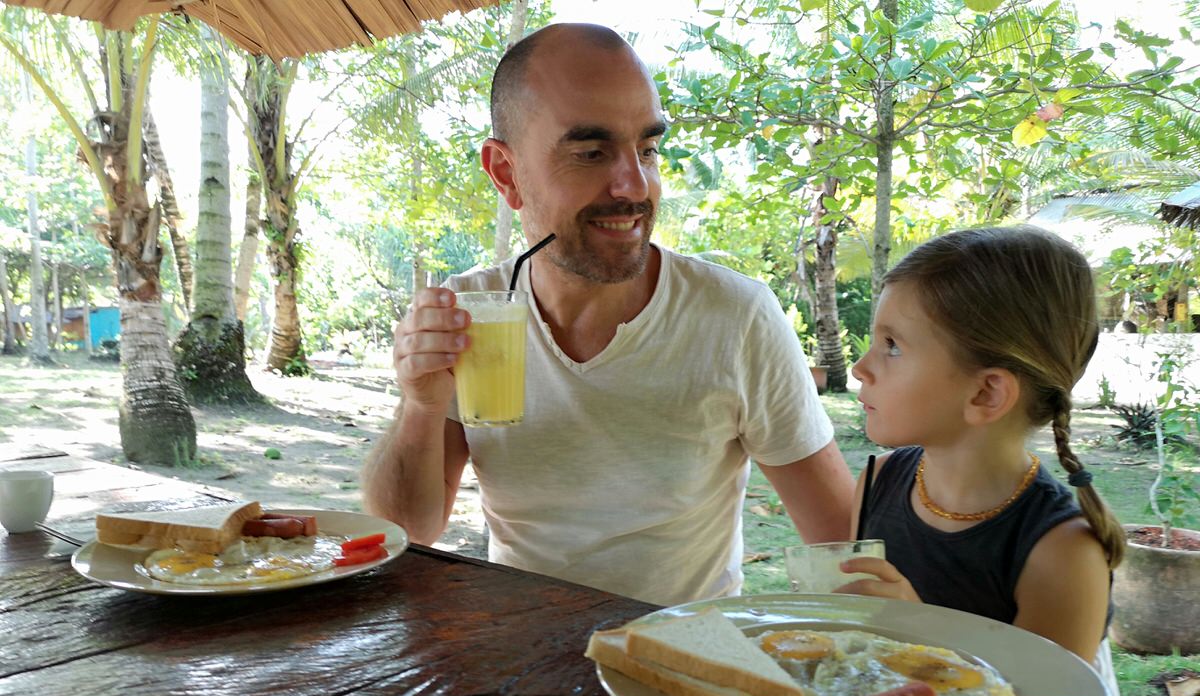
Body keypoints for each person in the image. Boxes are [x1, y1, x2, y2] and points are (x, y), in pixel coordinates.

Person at [363, 23, 855, 604]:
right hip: (520, 658)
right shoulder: (473, 315)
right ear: (505, 173)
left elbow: (840, 542)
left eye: (647, 149)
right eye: (591, 153)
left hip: (681, 667)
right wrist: (420, 403)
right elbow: (406, 530)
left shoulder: (734, 316)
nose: (634, 185)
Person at [841, 226, 1125, 661]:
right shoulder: (879, 482)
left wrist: (920, 633)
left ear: (986, 394)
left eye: (892, 346)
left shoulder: (1063, 556)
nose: (862, 367)